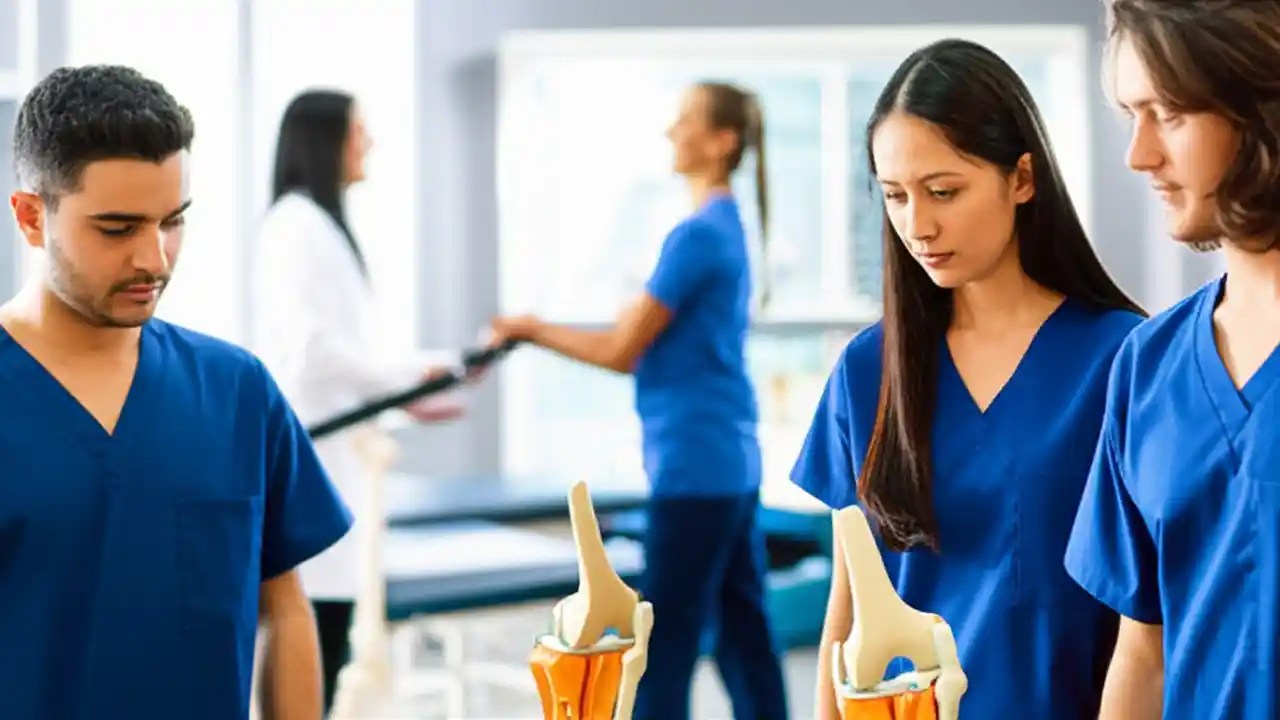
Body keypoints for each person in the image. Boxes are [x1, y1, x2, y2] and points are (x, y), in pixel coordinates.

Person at [788, 38, 1147, 719]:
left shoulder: (1124, 358)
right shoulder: (869, 369)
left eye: (943, 191)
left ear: (1021, 178)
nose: (917, 225)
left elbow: (1151, 623)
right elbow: (848, 607)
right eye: (895, 196)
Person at [1, 65, 350, 719]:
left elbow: (285, 607)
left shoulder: (236, 392)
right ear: (30, 216)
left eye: (172, 222)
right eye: (117, 228)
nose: (155, 258)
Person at [488, 81, 789, 720]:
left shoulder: (697, 236)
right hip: (727, 460)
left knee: (663, 643)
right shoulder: (728, 225)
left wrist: (530, 328)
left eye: (684, 121)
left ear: (721, 141)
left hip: (694, 465)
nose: (670, 133)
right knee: (743, 634)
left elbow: (622, 349)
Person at [1063, 2, 1280, 717]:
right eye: (1131, 113)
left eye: (1170, 113)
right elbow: (1143, 653)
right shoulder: (1147, 367)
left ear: (1260, 112)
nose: (1139, 154)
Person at [249, 89, 469, 714]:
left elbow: (339, 360)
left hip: (340, 457)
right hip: (316, 459)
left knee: (330, 636)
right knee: (312, 637)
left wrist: (404, 396)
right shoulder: (295, 225)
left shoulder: (320, 224)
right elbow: (313, 352)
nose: (368, 144)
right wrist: (405, 376)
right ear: (327, 141)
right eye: (359, 132)